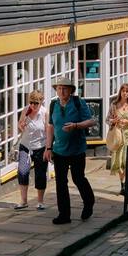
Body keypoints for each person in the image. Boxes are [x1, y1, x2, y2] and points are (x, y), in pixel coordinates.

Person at [44, 80, 96, 225]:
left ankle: (89, 203)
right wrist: (48, 148)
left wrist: (76, 125)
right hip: (59, 150)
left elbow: (92, 121)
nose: (61, 91)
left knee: (78, 178)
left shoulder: (79, 102)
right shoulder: (53, 104)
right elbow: (50, 127)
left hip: (77, 149)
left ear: (71, 90)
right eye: (59, 89)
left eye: (65, 89)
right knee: (61, 183)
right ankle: (64, 215)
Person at [15, 89, 48, 211]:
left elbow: (49, 131)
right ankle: (23, 201)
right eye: (31, 102)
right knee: (22, 172)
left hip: (40, 146)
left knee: (40, 174)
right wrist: (21, 126)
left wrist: (48, 148)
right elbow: (19, 125)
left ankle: (40, 201)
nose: (33, 105)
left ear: (41, 102)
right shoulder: (26, 110)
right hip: (25, 146)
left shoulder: (45, 113)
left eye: (36, 103)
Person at [107, 83, 128, 181]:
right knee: (119, 162)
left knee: (127, 161)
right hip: (117, 137)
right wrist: (114, 121)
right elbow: (107, 120)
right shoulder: (114, 105)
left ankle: (127, 184)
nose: (125, 93)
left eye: (127, 92)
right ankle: (122, 183)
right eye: (123, 91)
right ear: (120, 92)